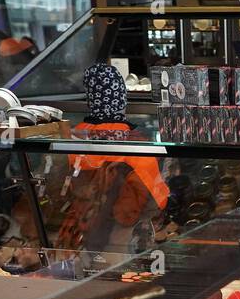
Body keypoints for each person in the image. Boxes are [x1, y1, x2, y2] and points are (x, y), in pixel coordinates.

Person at [68, 65, 169, 251]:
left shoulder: (73, 139)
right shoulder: (134, 141)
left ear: (90, 98)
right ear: (121, 98)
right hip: (128, 235)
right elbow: (159, 198)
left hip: (87, 233)